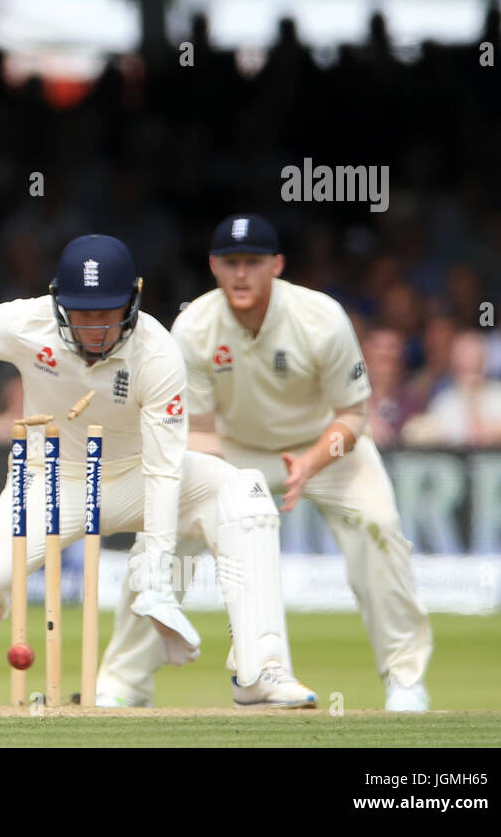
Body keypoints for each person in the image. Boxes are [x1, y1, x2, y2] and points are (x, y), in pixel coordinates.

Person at [0, 235, 318, 708]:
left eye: (107, 312)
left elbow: (163, 469)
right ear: (58, 301)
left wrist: (155, 577)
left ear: (133, 299)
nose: (95, 327)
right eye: (81, 313)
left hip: (137, 476)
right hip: (50, 480)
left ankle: (260, 670)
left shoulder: (157, 352)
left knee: (243, 495)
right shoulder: (29, 322)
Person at [99, 215, 432, 711]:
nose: (241, 274)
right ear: (214, 266)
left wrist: (311, 462)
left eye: (252, 262)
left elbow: (353, 415)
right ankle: (124, 683)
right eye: (230, 262)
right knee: (163, 532)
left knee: (379, 529)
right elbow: (197, 429)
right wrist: (212, 488)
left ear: (276, 265)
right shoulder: (194, 326)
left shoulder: (320, 318)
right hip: (233, 448)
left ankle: (405, 681)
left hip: (328, 446)